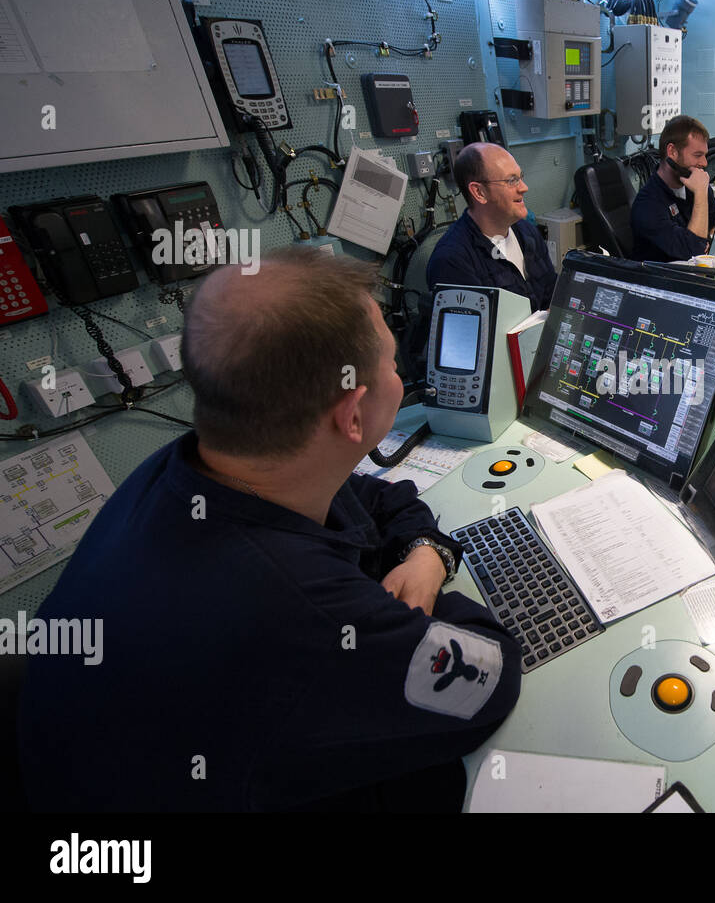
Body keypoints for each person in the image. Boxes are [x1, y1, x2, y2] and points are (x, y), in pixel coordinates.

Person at [18, 247, 522, 811]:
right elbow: (490, 680)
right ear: (351, 414)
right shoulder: (302, 609)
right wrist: (414, 601)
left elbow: (373, 496)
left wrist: (426, 553)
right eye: (390, 362)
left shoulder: (180, 469)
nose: (401, 376)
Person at [426, 142, 557, 312]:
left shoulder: (527, 231)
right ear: (479, 193)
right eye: (512, 181)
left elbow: (551, 296)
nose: (524, 188)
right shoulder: (451, 260)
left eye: (520, 177)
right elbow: (475, 335)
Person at [629, 115, 715, 263]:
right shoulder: (647, 205)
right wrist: (700, 194)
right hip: (663, 281)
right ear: (672, 151)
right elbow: (694, 252)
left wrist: (709, 237)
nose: (704, 163)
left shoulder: (695, 183)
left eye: (705, 155)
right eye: (697, 155)